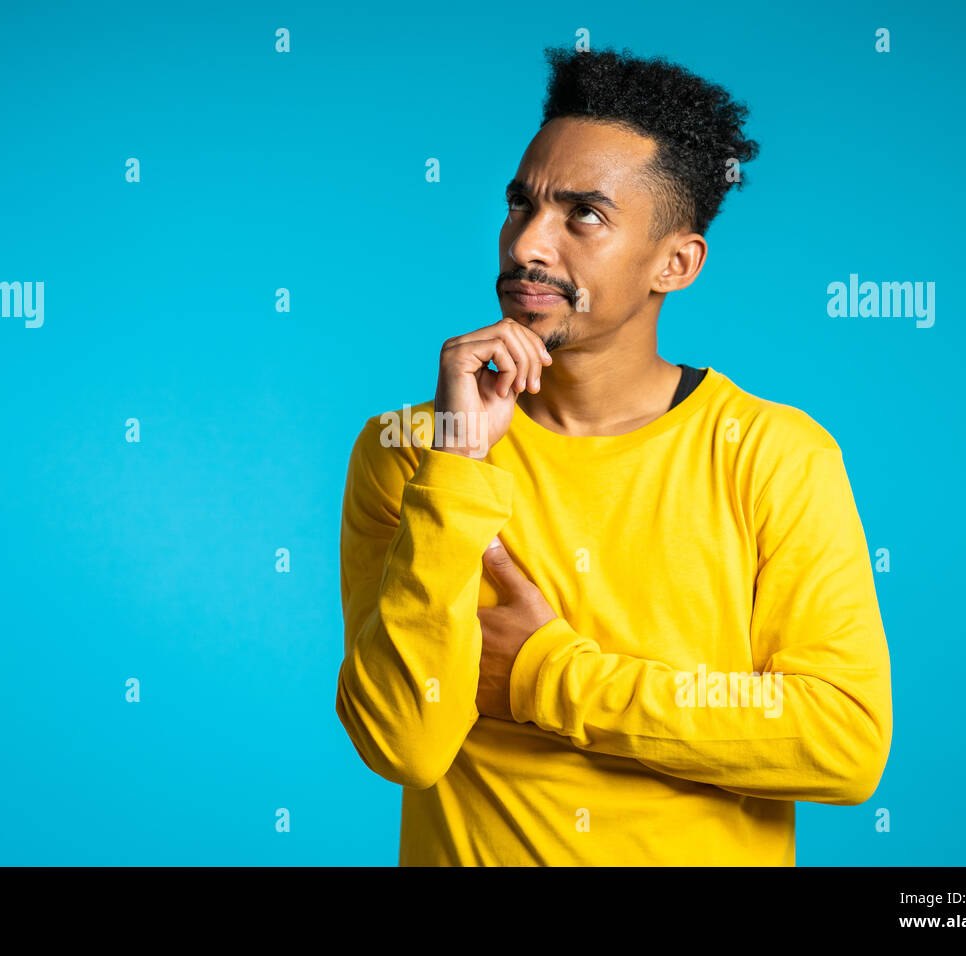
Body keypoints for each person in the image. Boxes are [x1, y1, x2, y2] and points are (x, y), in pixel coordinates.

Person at [335, 46, 892, 865]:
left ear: (677, 263)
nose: (528, 243)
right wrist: (458, 463)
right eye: (520, 204)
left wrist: (547, 675)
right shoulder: (411, 451)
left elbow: (842, 743)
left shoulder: (776, 456)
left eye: (582, 215)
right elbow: (402, 745)